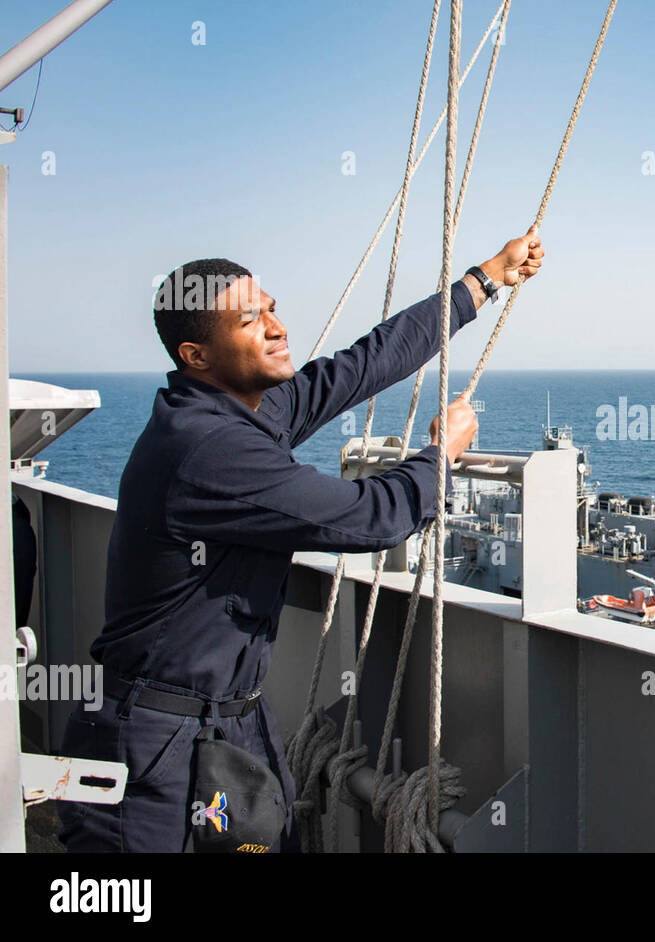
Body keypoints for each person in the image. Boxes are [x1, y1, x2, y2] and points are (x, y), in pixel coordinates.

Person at [56, 226, 544, 852]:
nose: (276, 327)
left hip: (222, 730)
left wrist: (484, 279)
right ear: (196, 355)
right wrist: (438, 458)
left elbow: (365, 363)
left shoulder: (237, 408)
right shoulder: (209, 449)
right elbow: (371, 517)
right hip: (156, 750)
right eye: (249, 321)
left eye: (272, 309)